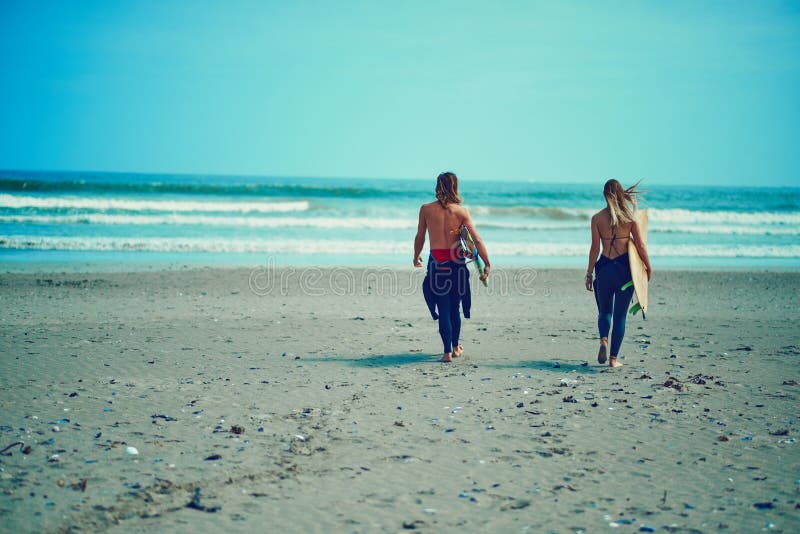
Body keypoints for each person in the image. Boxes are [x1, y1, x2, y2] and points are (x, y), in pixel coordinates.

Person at [414, 172, 491, 362]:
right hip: (456, 265)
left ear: (437, 186)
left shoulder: (426, 209)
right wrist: (487, 263)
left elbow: (420, 236)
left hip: (437, 265)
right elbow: (476, 239)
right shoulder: (461, 212)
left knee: (443, 308)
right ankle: (456, 348)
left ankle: (447, 352)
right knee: (454, 308)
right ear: (455, 187)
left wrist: (416, 256)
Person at [585, 179, 652, 368]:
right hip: (624, 271)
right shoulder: (630, 218)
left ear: (605, 195)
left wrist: (589, 273)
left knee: (605, 311)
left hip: (605, 269)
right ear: (621, 194)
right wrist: (648, 266)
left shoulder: (597, 218)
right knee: (620, 317)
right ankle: (613, 359)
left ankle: (603, 341)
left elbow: (594, 249)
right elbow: (640, 245)